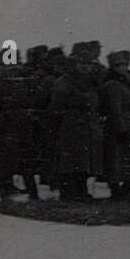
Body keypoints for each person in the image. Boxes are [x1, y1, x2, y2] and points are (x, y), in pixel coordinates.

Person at [49, 43, 105, 201]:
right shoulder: (65, 82)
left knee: (85, 162)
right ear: (76, 64)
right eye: (82, 64)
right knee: (71, 161)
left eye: (88, 64)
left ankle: (81, 191)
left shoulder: (93, 82)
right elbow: (56, 107)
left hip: (89, 124)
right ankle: (68, 192)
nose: (86, 68)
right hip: (71, 126)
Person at [101, 50, 130, 200]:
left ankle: (126, 187)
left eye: (125, 64)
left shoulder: (129, 82)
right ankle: (115, 189)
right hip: (118, 124)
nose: (124, 67)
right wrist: (121, 127)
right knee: (116, 158)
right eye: (119, 65)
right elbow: (115, 108)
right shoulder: (113, 84)